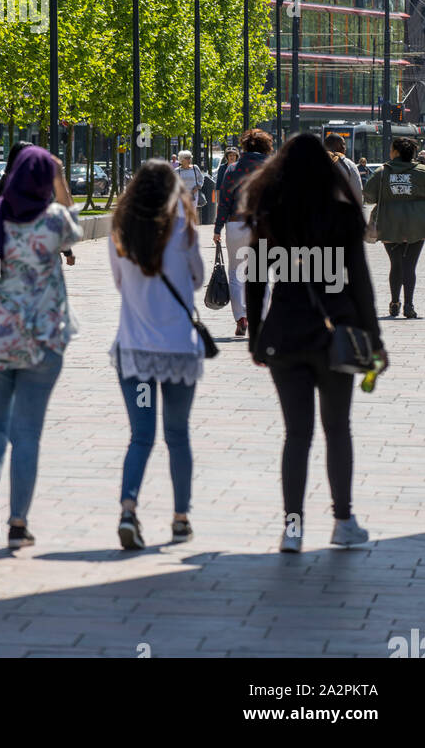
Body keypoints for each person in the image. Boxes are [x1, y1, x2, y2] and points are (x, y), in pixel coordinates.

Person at [243, 134, 386, 552]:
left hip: (285, 334)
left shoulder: (270, 212)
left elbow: (254, 279)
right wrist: (374, 340)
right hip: (335, 333)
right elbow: (360, 285)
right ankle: (343, 521)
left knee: (296, 434)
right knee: (337, 429)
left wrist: (256, 338)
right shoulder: (342, 215)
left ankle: (292, 528)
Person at [0, 147, 82, 551]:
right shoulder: (54, 220)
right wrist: (59, 179)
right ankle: (18, 523)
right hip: (42, 340)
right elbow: (75, 227)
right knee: (28, 434)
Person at [109, 160, 205, 550]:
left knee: (141, 436)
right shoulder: (184, 231)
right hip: (178, 351)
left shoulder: (120, 233)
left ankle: (129, 509)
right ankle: (181, 518)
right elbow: (197, 278)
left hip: (135, 352)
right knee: (177, 435)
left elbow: (118, 284)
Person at [214, 128, 274, 338]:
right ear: (266, 146)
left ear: (245, 146)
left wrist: (217, 228)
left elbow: (225, 202)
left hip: (236, 224)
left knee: (236, 273)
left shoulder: (233, 169)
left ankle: (241, 318)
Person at [363, 137, 425, 319]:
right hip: (417, 224)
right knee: (410, 265)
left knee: (396, 264)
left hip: (389, 224)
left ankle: (394, 303)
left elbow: (368, 196)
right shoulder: (423, 171)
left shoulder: (382, 172)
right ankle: (409, 305)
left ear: (396, 152)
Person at [324, 133, 363, 204]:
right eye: (344, 144)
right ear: (340, 146)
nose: (345, 147)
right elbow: (358, 195)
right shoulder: (349, 165)